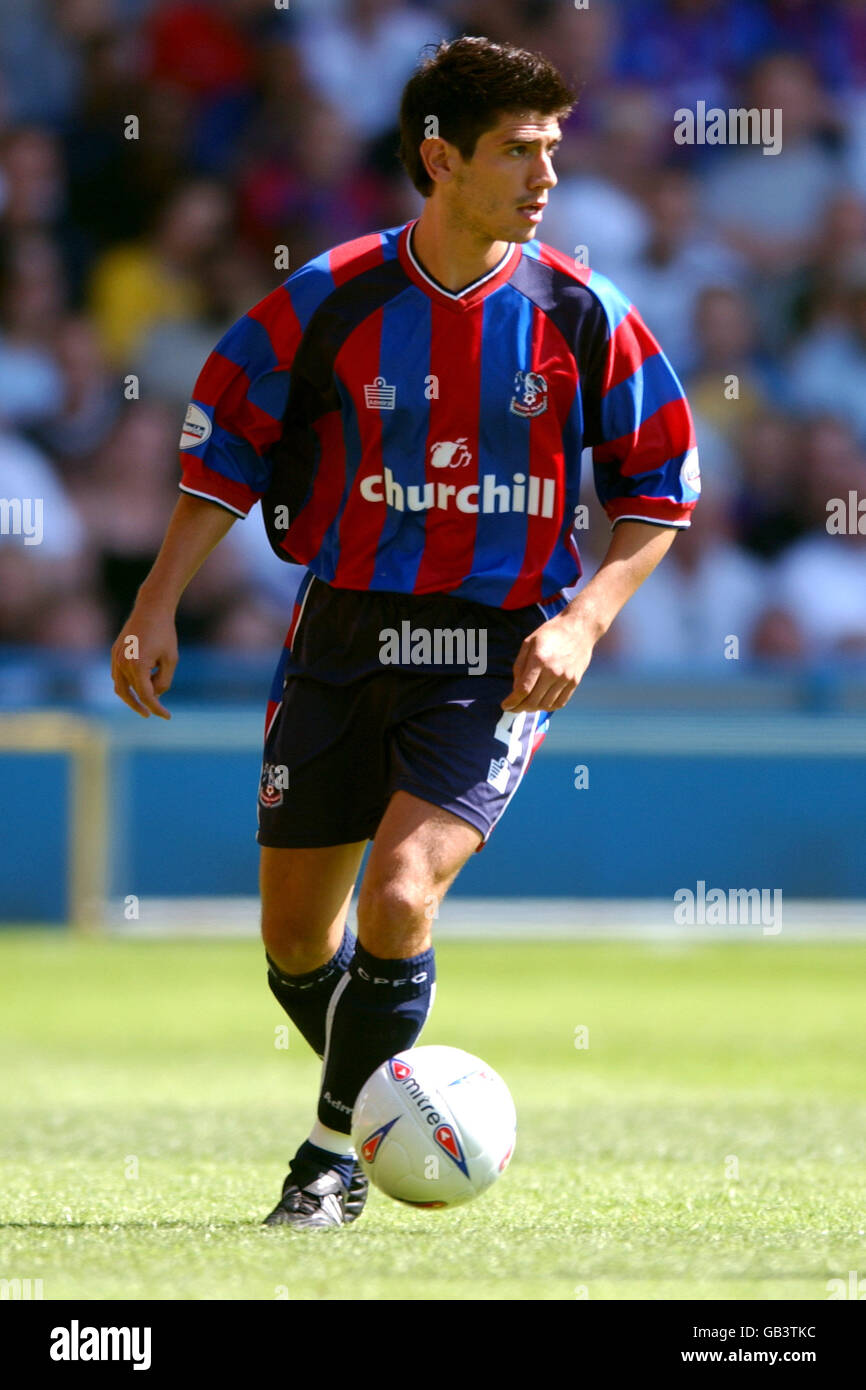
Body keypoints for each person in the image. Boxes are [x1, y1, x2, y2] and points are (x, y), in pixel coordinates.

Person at [110, 36, 699, 1229]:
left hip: (494, 646)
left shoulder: (583, 315)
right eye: (516, 151)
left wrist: (584, 623)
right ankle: (404, 1097)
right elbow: (222, 447)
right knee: (291, 942)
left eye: (552, 150)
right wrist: (155, 599)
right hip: (339, 635)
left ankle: (327, 1160)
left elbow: (659, 491)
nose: (545, 177)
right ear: (439, 158)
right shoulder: (327, 299)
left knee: (400, 892)